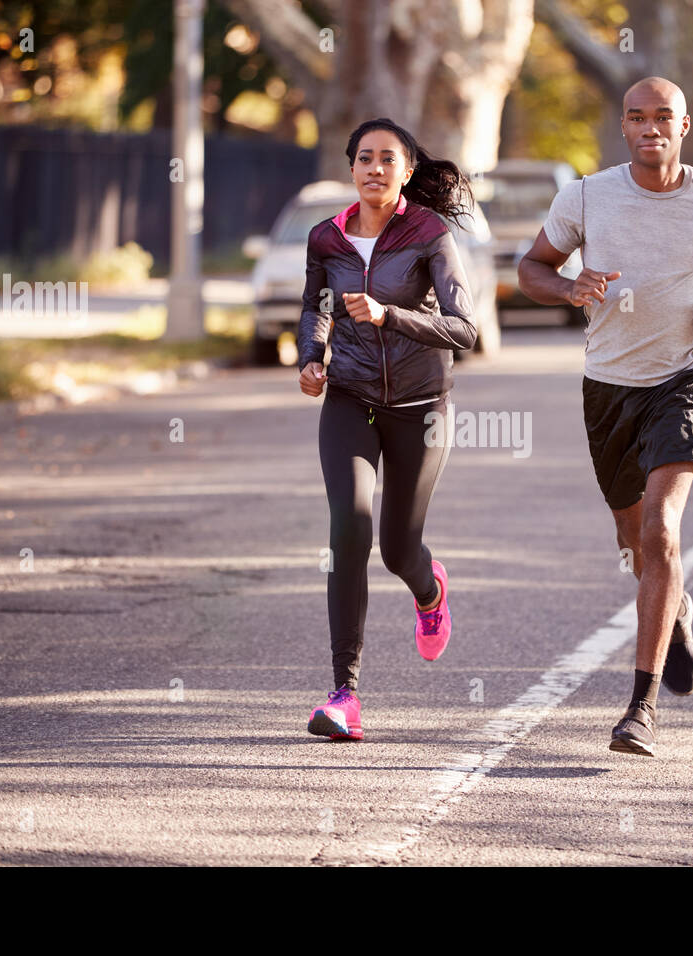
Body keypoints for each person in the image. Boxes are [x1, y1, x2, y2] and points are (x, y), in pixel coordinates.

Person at [517, 77, 693, 756]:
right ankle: (677, 612)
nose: (650, 128)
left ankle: (641, 707)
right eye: (637, 118)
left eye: (664, 117)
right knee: (635, 543)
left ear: (684, 127)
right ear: (624, 128)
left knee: (661, 531)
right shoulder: (586, 196)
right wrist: (568, 285)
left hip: (684, 377)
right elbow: (529, 267)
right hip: (607, 387)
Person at [297, 117, 478, 741]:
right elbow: (314, 307)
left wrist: (389, 316)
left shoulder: (430, 233)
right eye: (364, 158)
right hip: (349, 399)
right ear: (351, 168)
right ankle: (344, 693)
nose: (375, 168)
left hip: (422, 406)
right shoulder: (327, 238)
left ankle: (429, 593)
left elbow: (464, 329)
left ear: (406, 171)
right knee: (349, 526)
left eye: (388, 159)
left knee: (398, 548)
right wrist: (311, 358)